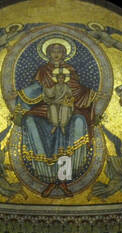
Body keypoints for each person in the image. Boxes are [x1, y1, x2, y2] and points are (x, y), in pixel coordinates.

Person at [13, 40, 99, 194]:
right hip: (46, 108)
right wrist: (21, 93)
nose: (56, 53)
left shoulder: (70, 70)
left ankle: (63, 179)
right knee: (30, 120)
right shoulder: (43, 70)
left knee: (78, 121)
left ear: (65, 53)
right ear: (48, 54)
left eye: (60, 50)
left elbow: (76, 90)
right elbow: (37, 90)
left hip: (68, 110)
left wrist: (91, 94)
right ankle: (50, 178)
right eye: (53, 50)